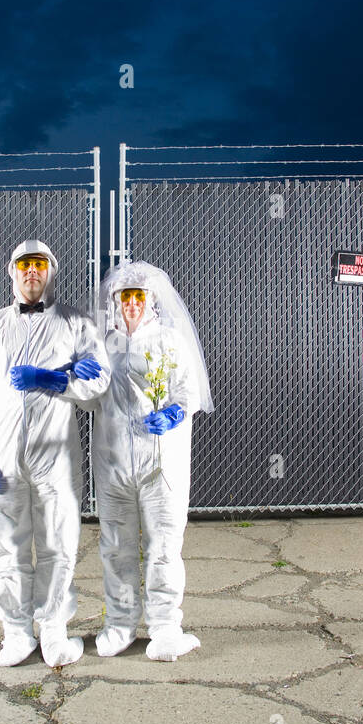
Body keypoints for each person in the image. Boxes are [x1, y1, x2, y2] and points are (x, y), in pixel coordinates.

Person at [0, 239, 110, 668]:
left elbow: (98, 387)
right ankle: (17, 633)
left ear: (50, 271)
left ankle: (56, 632)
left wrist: (52, 379)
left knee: (58, 544)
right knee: (5, 546)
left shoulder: (77, 325)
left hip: (56, 456)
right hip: (3, 456)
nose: (31, 273)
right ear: (12, 271)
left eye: (39, 265)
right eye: (24, 265)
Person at [90, 261, 213, 661]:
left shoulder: (169, 340)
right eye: (124, 297)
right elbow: (89, 398)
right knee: (116, 546)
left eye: (138, 296)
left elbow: (188, 392)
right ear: (115, 301)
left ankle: (164, 627)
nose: (131, 304)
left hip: (161, 464)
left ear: (151, 300)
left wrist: (175, 413)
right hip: (113, 463)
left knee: (163, 545)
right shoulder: (103, 343)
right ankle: (121, 623)